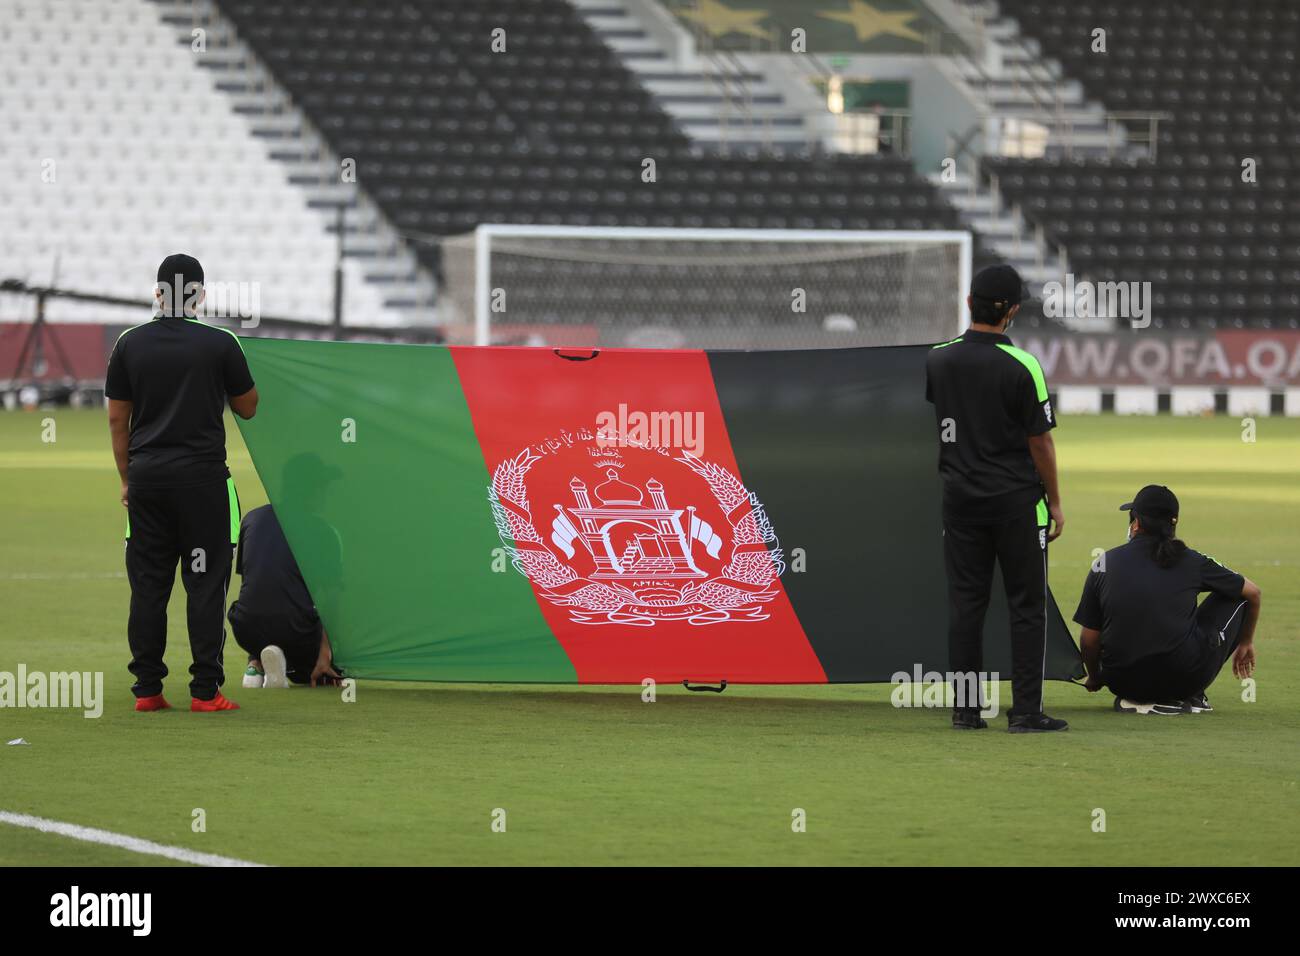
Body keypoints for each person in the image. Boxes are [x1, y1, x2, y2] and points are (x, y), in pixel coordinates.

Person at [106, 253, 258, 712]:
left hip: (149, 482)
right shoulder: (220, 343)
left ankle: (148, 690)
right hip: (204, 484)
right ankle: (205, 691)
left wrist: (128, 479)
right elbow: (248, 407)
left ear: (157, 292)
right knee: (205, 585)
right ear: (200, 295)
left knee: (149, 586)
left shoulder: (129, 344)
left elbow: (117, 419)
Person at [925, 264, 1068, 733]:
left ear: (969, 303)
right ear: (1012, 312)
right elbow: (1040, 442)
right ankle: (1026, 711)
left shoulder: (939, 359)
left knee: (966, 606)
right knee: (1027, 606)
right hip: (1016, 502)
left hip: (961, 501)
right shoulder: (1024, 365)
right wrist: (1057, 501)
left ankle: (967, 710)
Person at [1074, 485, 1260, 715]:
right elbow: (1253, 593)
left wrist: (1095, 677)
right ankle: (1191, 695)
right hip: (1184, 680)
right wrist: (1246, 642)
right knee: (1237, 597)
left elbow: (1089, 640)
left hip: (1122, 682)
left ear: (1137, 524)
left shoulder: (1104, 562)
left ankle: (1141, 697)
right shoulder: (1192, 560)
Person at [229, 503, 342, 689]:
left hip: (246, 630)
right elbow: (332, 599)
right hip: (296, 631)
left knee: (265, 601)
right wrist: (325, 655)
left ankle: (255, 664)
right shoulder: (323, 528)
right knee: (330, 670)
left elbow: (251, 581)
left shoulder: (252, 518)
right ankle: (283, 668)